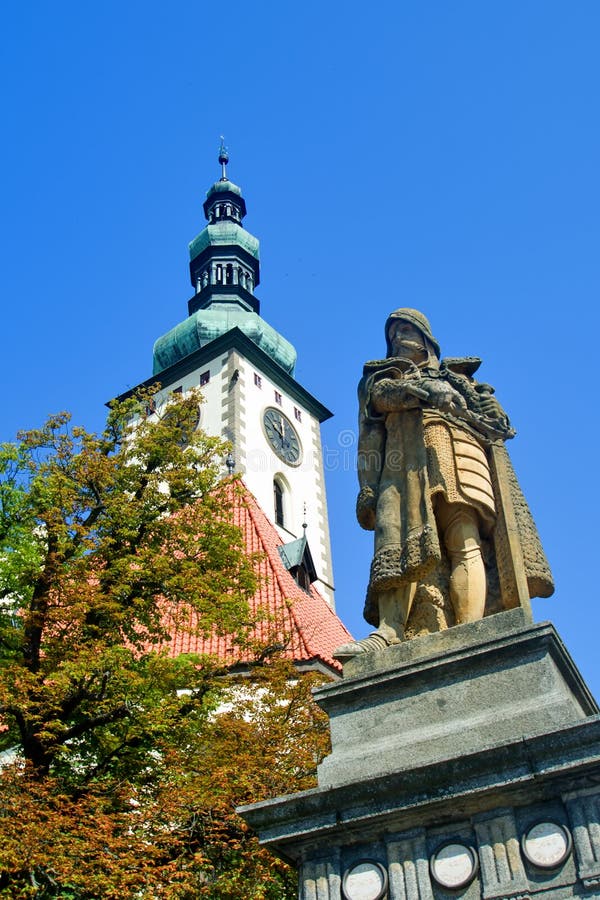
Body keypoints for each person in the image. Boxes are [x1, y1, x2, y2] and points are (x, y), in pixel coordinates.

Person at [334, 308, 553, 660]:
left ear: (426, 338)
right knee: (398, 539)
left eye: (405, 329)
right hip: (405, 459)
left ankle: (470, 627)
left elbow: (498, 422)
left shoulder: (461, 379)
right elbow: (381, 396)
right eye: (392, 334)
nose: (398, 337)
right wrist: (424, 390)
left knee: (464, 537)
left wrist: (490, 409)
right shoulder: (385, 373)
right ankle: (389, 631)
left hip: (463, 452)